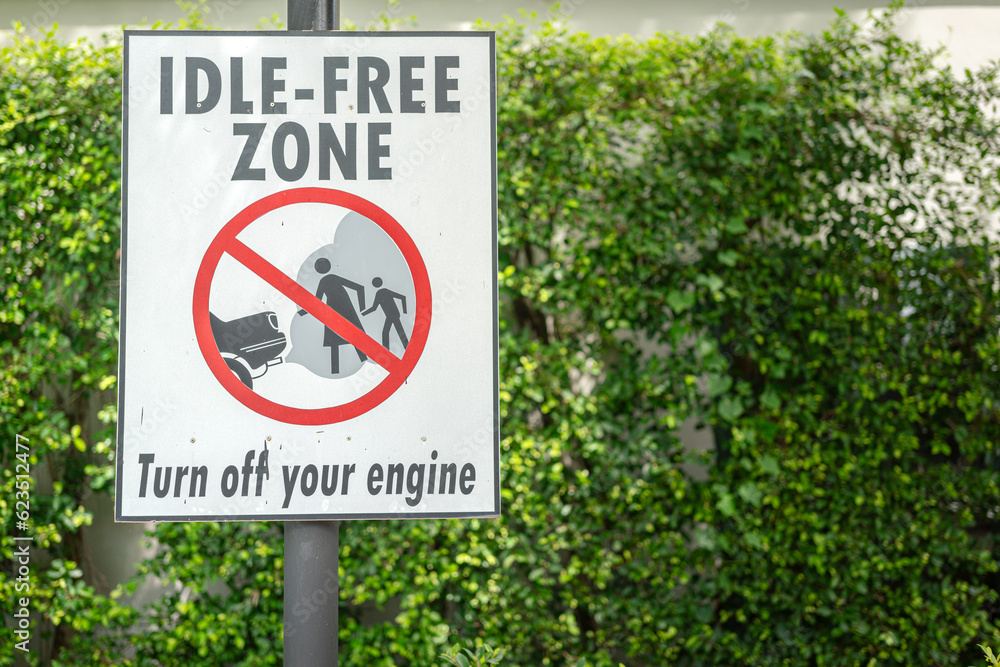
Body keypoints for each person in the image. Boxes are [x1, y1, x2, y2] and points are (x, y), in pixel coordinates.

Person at [298, 257, 367, 374]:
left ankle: (337, 370)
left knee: (338, 340)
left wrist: (304, 312)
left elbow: (317, 302)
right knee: (351, 337)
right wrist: (362, 307)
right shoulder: (331, 279)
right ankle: (361, 359)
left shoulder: (325, 280)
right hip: (342, 310)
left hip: (336, 311)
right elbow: (359, 288)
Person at [361, 277, 409, 350]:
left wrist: (405, 311)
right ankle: (391, 350)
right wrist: (363, 314)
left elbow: (402, 297)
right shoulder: (381, 292)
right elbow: (374, 307)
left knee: (388, 332)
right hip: (392, 315)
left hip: (392, 315)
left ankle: (387, 351)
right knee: (397, 331)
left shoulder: (382, 292)